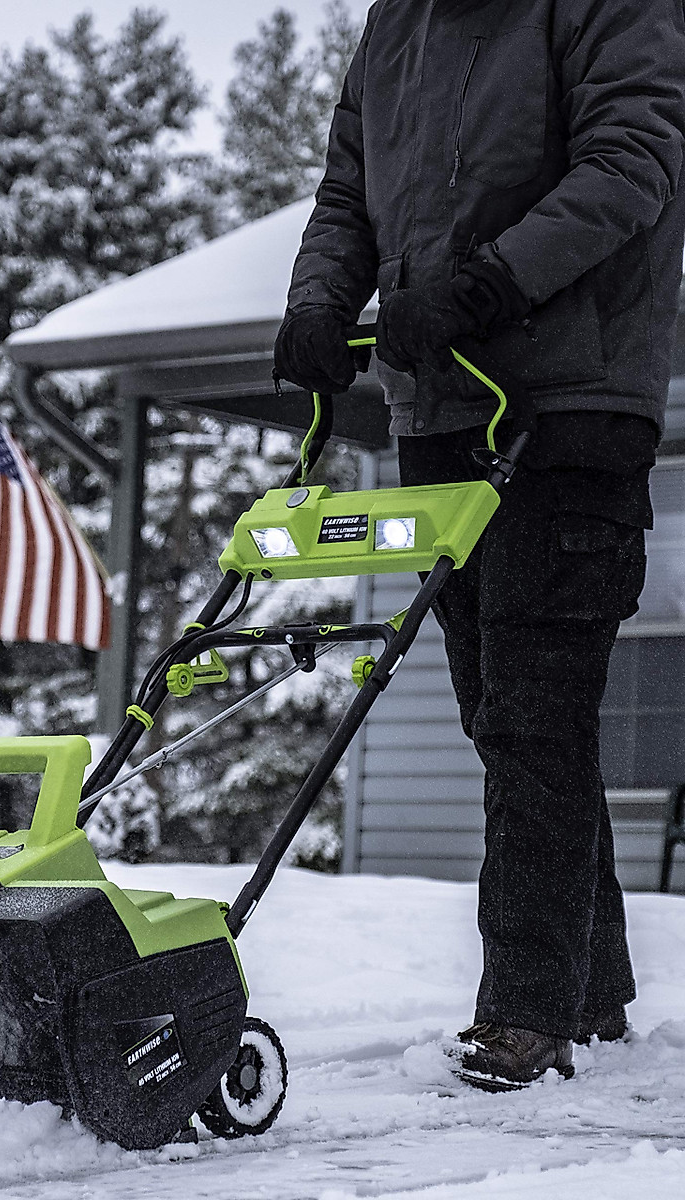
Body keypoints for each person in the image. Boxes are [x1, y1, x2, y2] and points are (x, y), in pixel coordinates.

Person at [274, 0, 685, 1091]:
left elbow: (632, 162)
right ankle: (586, 992)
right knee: (500, 714)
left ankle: (526, 1012)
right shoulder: (398, 21)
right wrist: (319, 303)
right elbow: (347, 195)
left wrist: (490, 281)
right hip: (441, 408)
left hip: (572, 401)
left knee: (535, 715)